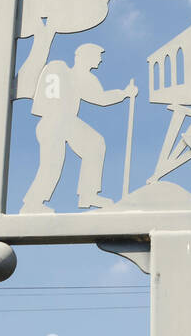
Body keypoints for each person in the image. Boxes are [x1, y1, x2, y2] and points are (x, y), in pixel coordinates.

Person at [22, 43, 136, 212]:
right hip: (54, 122)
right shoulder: (60, 70)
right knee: (52, 164)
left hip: (66, 122)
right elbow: (48, 97)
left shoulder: (85, 78)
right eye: (97, 56)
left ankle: (88, 194)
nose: (100, 60)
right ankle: (32, 204)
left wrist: (124, 93)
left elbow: (101, 98)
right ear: (85, 57)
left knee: (94, 144)